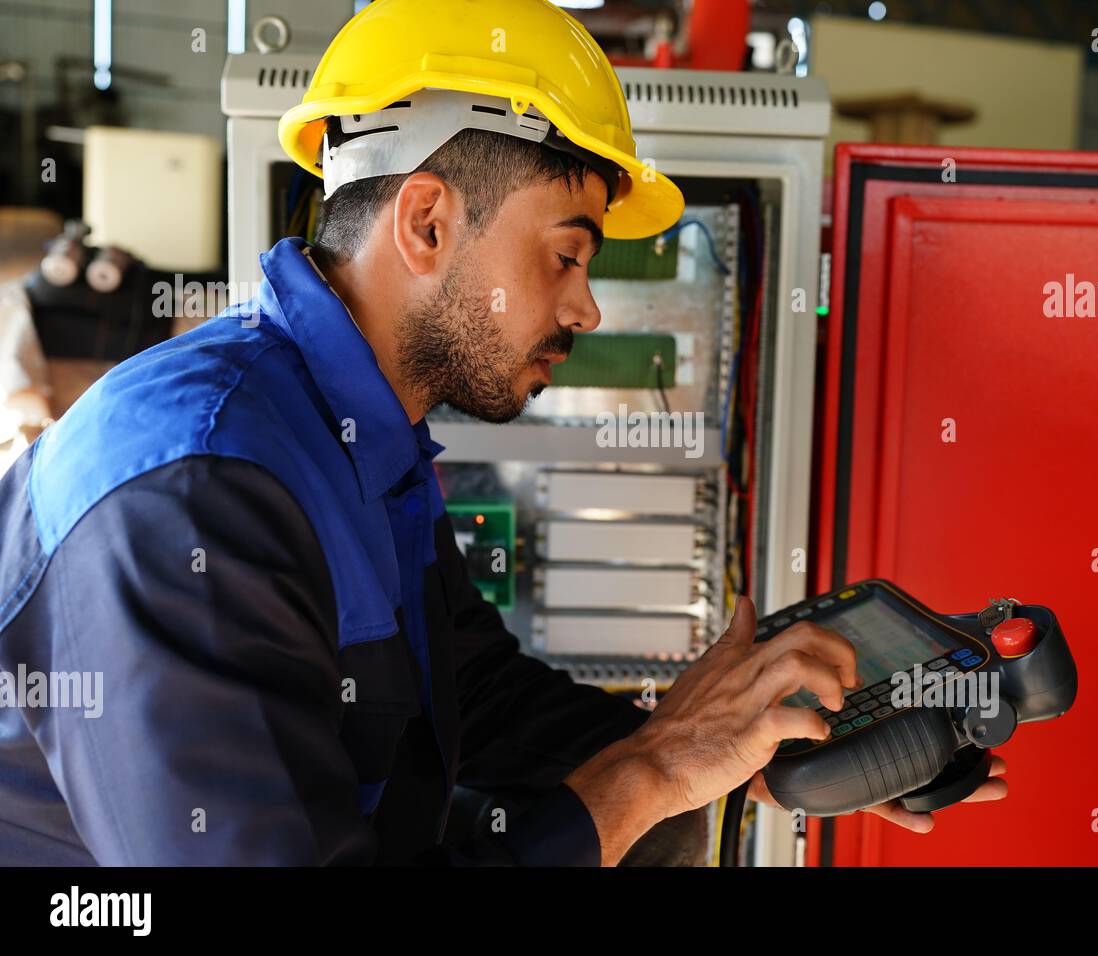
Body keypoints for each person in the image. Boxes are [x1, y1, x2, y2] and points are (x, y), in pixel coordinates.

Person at [0, 0, 1006, 866]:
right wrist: (652, 769)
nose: (586, 308)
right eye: (566, 255)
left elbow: (474, 700)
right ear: (429, 222)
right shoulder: (196, 492)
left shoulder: (350, 439)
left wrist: (748, 751)